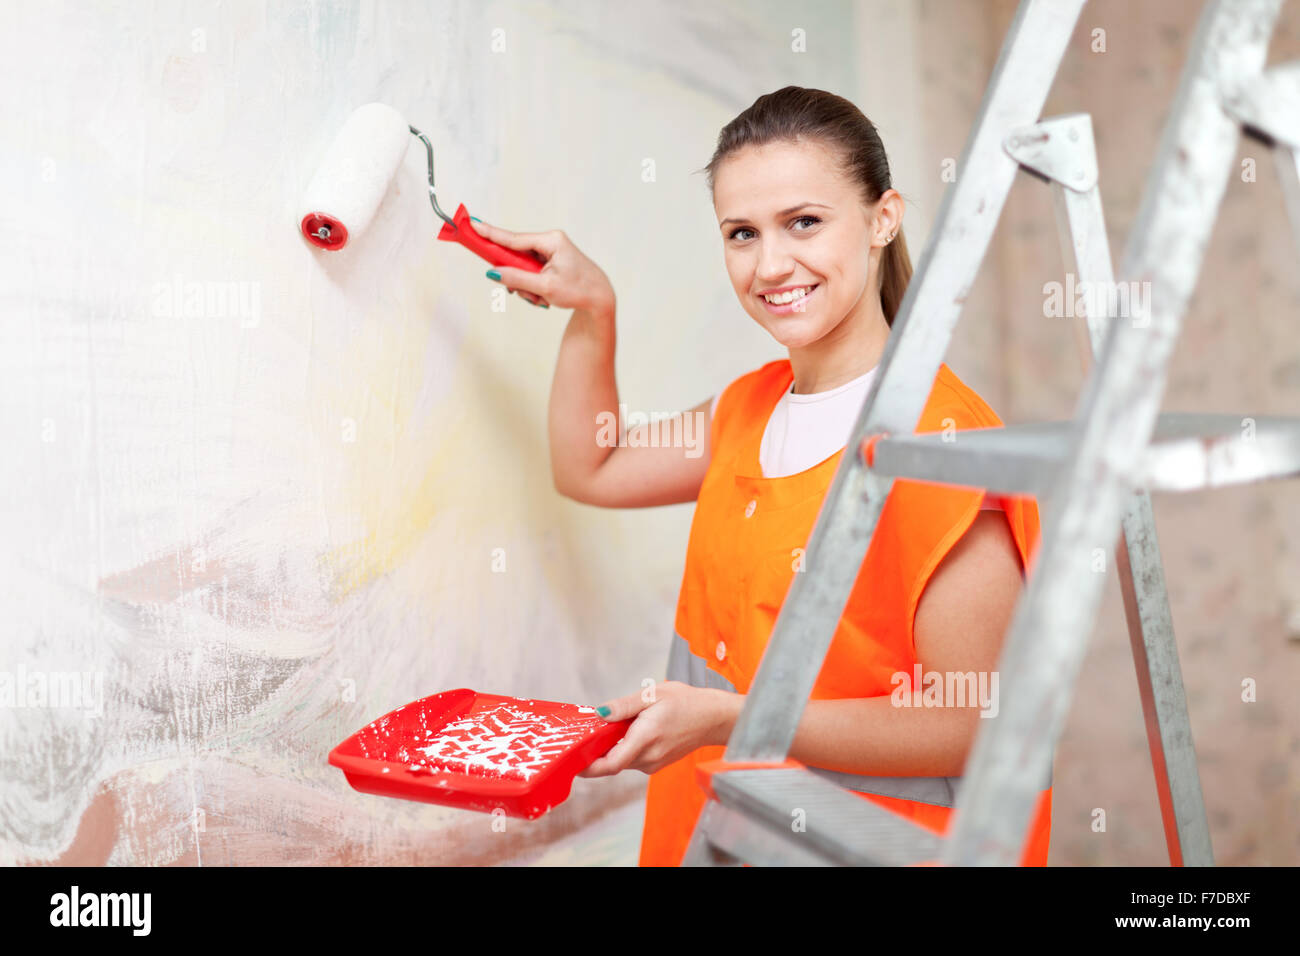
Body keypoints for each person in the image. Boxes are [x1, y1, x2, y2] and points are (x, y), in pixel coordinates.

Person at [472, 85, 1052, 866]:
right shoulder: (747, 410)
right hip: (720, 838)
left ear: (884, 218)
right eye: (742, 233)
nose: (771, 264)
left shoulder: (941, 446)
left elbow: (978, 722)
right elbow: (593, 467)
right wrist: (593, 311)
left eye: (804, 222)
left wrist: (729, 717)